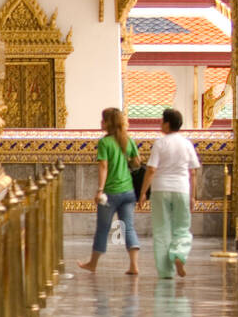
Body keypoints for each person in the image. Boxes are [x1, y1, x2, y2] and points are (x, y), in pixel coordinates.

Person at [136, 108, 202, 278]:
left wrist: (143, 193)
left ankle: (166, 272)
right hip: (181, 189)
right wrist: (193, 196)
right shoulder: (187, 144)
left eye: (162, 121)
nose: (160, 124)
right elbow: (193, 172)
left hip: (160, 189)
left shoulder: (160, 143)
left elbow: (151, 170)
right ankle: (179, 254)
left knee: (161, 230)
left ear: (167, 123)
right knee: (181, 228)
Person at [78, 107, 142, 275]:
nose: (101, 123)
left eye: (103, 120)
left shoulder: (105, 143)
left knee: (103, 228)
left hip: (110, 193)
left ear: (108, 123)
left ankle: (93, 263)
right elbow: (137, 162)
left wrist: (99, 190)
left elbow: (103, 166)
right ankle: (134, 265)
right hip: (128, 190)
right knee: (128, 227)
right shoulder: (128, 140)